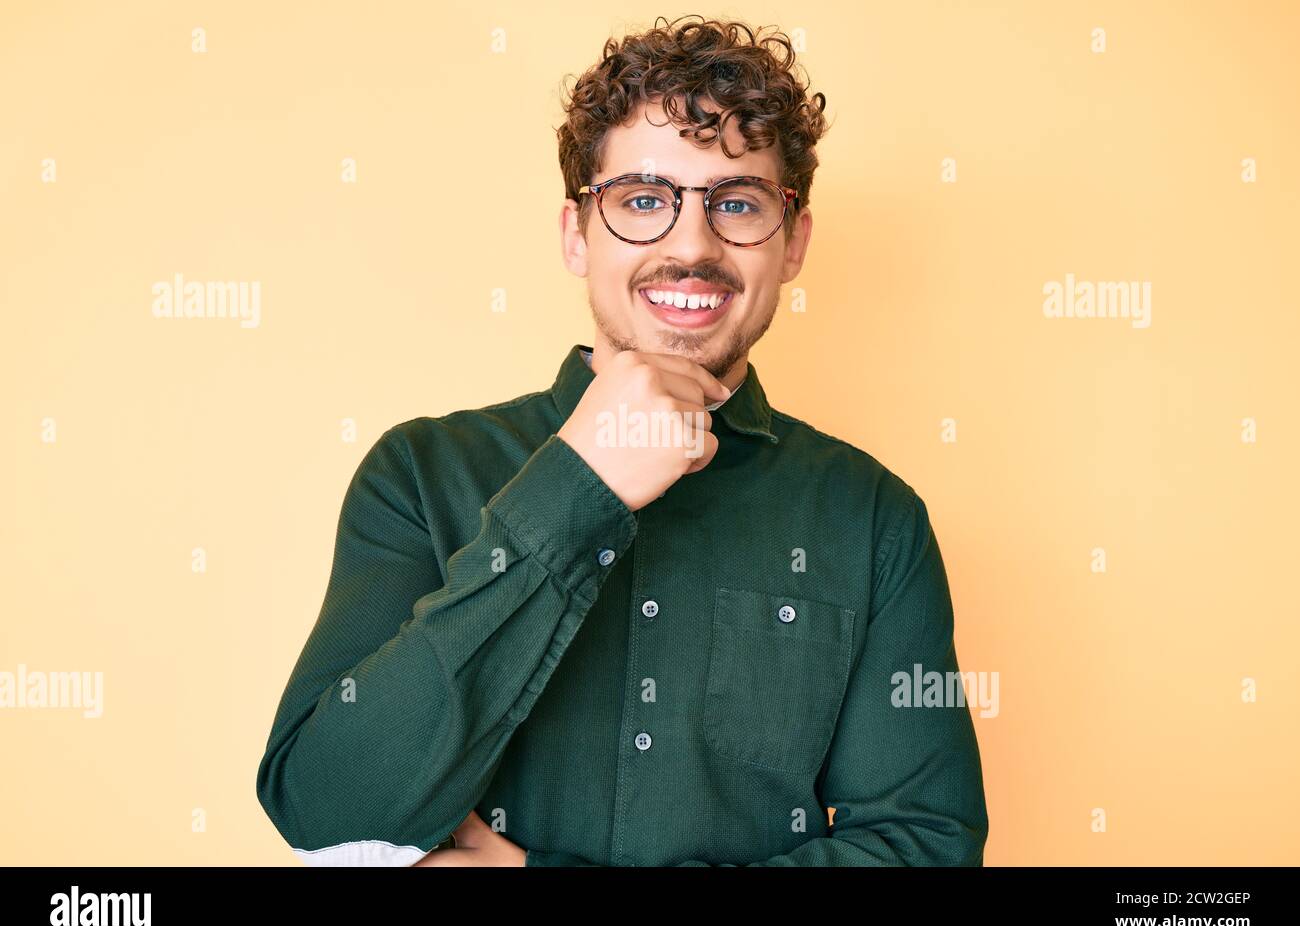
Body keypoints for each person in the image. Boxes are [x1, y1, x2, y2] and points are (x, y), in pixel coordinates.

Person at [256, 14, 989, 866]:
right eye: (643, 200)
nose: (691, 244)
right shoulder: (419, 475)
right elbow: (327, 809)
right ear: (577, 234)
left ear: (793, 243)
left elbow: (925, 848)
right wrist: (579, 485)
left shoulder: (875, 520)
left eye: (738, 204)